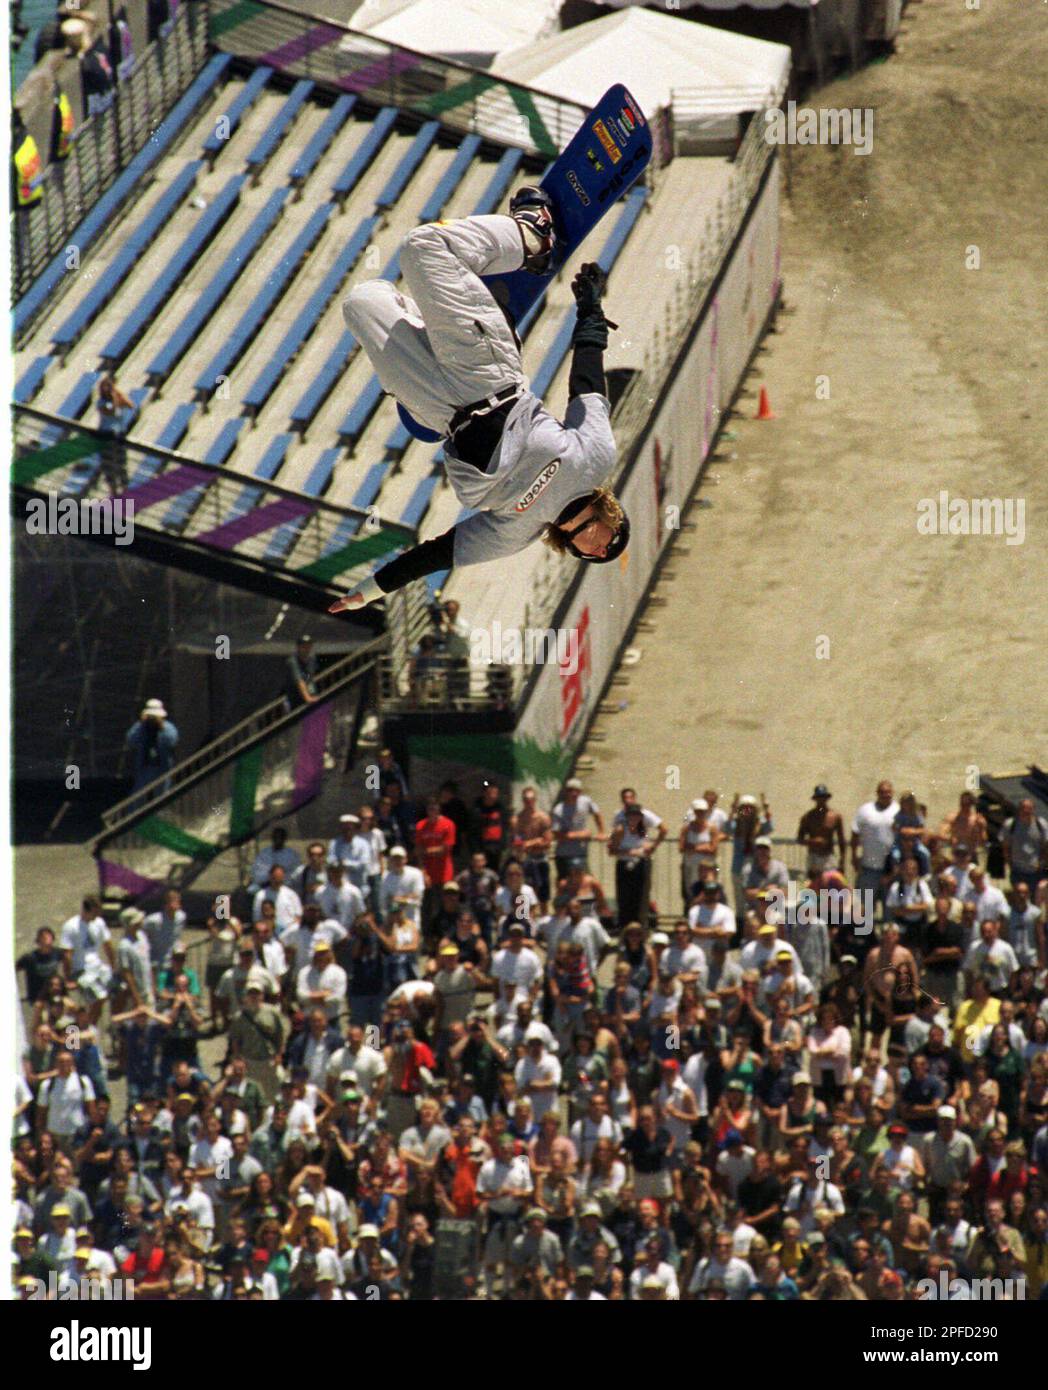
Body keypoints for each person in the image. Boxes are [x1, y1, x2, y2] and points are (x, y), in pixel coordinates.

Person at [327, 203, 628, 613]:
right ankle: (530, 238)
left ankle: (441, 324)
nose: (601, 545)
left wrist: (370, 590)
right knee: (422, 247)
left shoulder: (517, 532)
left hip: (441, 410)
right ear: (614, 514)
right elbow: (586, 385)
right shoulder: (595, 460)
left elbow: (436, 554)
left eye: (596, 554)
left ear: (573, 549)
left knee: (360, 302)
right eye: (613, 539)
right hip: (490, 377)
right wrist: (591, 314)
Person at [125, 698, 179, 792]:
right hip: (144, 769)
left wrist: (161, 727)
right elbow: (131, 740)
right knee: (141, 796)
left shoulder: (168, 728)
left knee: (162, 795)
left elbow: (172, 741)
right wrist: (142, 724)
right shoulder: (141, 728)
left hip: (162, 769)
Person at [285, 635, 319, 707]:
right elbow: (299, 681)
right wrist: (308, 698)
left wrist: (312, 695)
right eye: (304, 646)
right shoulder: (292, 661)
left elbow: (309, 678)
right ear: (298, 647)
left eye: (309, 646)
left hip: (310, 694)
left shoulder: (311, 660)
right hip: (296, 699)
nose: (307, 649)